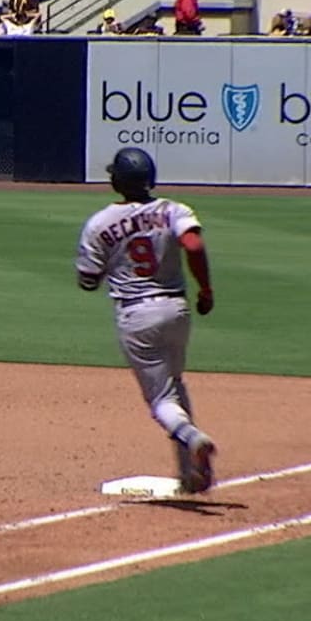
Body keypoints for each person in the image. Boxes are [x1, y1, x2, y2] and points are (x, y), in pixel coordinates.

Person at [75, 147, 217, 495]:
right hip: (177, 311)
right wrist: (205, 289)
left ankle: (193, 438)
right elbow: (193, 244)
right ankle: (191, 474)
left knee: (161, 401)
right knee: (175, 385)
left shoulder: (99, 223)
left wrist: (112, 264)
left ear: (116, 181)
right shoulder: (174, 209)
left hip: (137, 316)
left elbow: (88, 280)